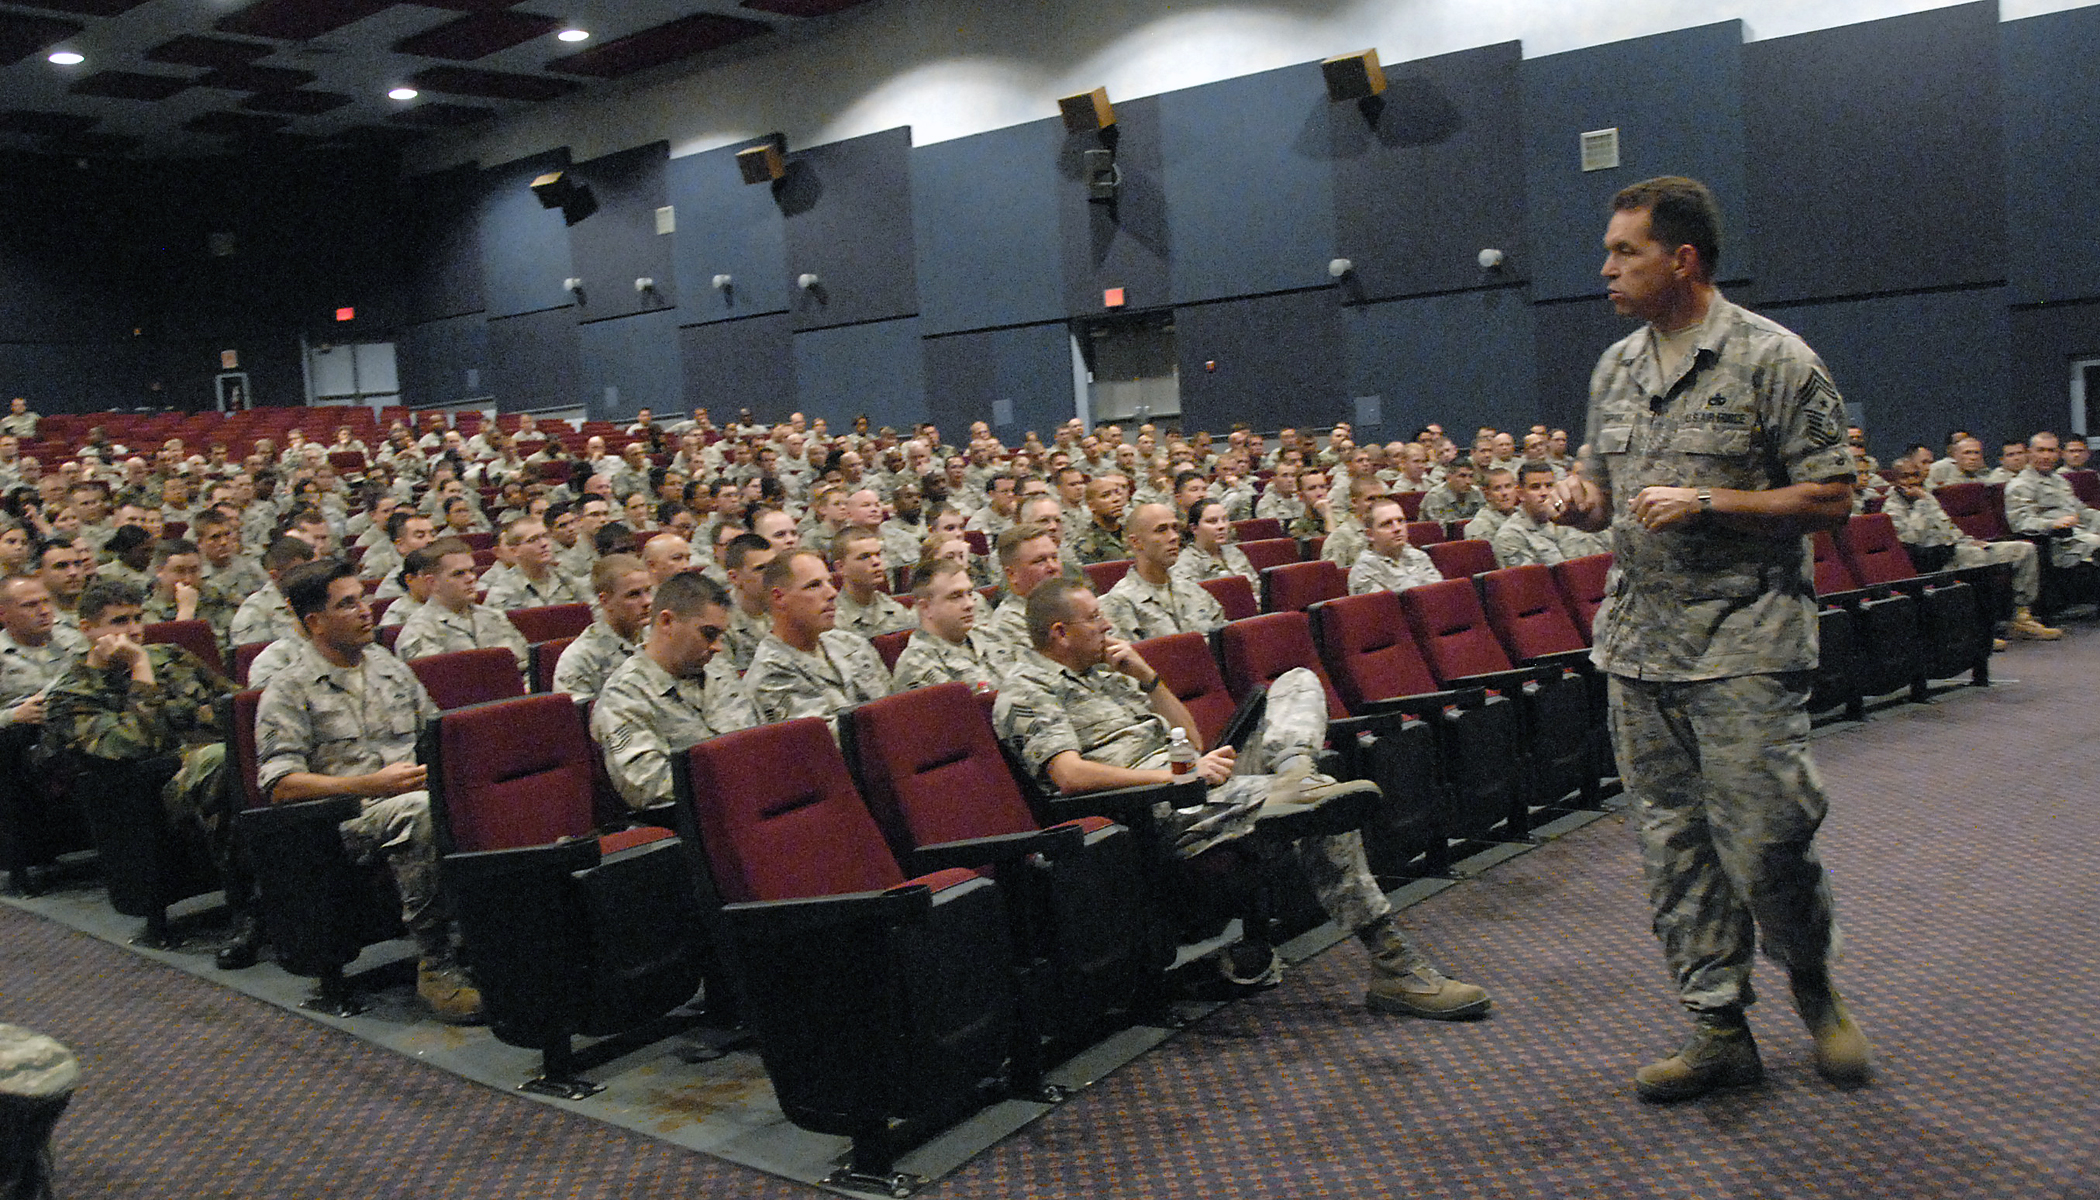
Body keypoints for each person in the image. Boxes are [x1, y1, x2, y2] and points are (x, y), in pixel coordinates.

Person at [1551, 175, 1870, 1101]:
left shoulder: (1775, 359)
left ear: (1682, 259)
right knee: (1674, 847)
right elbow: (1602, 491)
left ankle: (1812, 982)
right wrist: (1579, 503)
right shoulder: (1615, 368)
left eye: (1626, 251)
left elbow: (1833, 497)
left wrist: (1709, 501)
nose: (1606, 268)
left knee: (1768, 840)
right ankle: (1718, 1025)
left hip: (1746, 642)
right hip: (1639, 648)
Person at [995, 579, 1489, 1015]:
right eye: (1094, 618)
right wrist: (1174, 779)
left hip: (1194, 778)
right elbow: (1069, 775)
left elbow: (1189, 735)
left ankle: (1296, 777)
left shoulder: (1107, 672)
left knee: (1296, 682)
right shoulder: (1025, 690)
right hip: (1157, 806)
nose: (1106, 625)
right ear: (1059, 633)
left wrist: (1147, 677)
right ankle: (1395, 965)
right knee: (1325, 811)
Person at [254, 559, 480, 1022]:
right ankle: (436, 965)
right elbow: (280, 784)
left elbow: (436, 734)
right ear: (315, 622)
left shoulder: (389, 667)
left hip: (408, 797)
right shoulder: (289, 688)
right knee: (420, 811)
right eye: (347, 604)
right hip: (342, 819)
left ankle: (499, 945)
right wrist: (369, 784)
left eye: (363, 599)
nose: (365, 611)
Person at [44, 580, 248, 963]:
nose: (134, 630)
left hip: (218, 771)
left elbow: (235, 704)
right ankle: (247, 911)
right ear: (87, 628)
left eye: (138, 618)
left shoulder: (171, 656)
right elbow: (134, 745)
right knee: (219, 762)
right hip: (153, 792)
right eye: (119, 621)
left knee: (239, 763)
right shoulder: (72, 695)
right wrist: (140, 669)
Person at [590, 572, 760, 809]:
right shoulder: (625, 695)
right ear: (667, 622)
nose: (718, 647)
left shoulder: (720, 672)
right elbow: (649, 787)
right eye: (709, 634)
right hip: (694, 818)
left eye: (721, 635)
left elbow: (762, 743)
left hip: (754, 803)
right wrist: (743, 778)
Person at [1880, 458, 2059, 643]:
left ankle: (2022, 618)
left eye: (1915, 475)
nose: (1912, 481)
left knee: (2025, 550)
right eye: (1905, 477)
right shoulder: (1892, 508)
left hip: (1957, 548)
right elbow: (1912, 540)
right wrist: (1920, 504)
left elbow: (1948, 527)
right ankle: (1980, 633)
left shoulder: (1926, 496)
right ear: (1894, 480)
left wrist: (1969, 540)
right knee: (1982, 565)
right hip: (1932, 560)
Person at [743, 550, 892, 735]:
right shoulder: (770, 675)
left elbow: (894, 708)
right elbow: (826, 742)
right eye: (814, 585)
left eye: (829, 582)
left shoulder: (851, 644)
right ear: (779, 597)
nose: (832, 593)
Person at [393, 538, 530, 675]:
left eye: (472, 570)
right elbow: (436, 683)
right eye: (458, 574)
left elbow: (526, 667)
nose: (471, 578)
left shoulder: (494, 617)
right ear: (432, 582)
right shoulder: (419, 631)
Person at [1099, 503, 1226, 641]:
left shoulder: (1193, 590)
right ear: (1136, 542)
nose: (1174, 537)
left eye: (1175, 528)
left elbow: (1225, 641)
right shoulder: (1118, 602)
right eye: (1161, 530)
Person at [552, 554, 651, 701]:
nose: (647, 601)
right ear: (605, 601)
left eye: (648, 591)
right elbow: (578, 714)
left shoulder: (662, 639)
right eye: (633, 595)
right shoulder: (580, 659)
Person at [890, 560, 1001, 692]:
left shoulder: (990, 636)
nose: (969, 604)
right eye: (955, 596)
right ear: (926, 608)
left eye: (970, 593)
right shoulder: (916, 665)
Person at [2004, 431, 2100, 567]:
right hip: (2056, 545)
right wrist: (2053, 524)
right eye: (2041, 450)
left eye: (2051, 451)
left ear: (2058, 454)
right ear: (2029, 453)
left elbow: (2081, 511)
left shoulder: (2060, 481)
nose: (2046, 456)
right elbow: (2020, 523)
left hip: (2079, 536)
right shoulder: (2020, 485)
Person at [1492, 462, 1610, 567]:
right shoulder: (1509, 536)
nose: (1544, 493)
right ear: (1520, 493)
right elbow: (1528, 580)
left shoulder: (1570, 520)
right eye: (1535, 487)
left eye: (1549, 486)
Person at [0, 576, 77, 732]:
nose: (44, 611)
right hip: (19, 738)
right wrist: (11, 716)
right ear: (3, 613)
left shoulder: (75, 641)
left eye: (46, 601)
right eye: (30, 605)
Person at [480, 516, 586, 610]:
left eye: (545, 536)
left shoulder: (566, 579)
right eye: (532, 540)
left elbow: (591, 612)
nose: (544, 544)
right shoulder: (502, 591)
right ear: (514, 550)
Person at [228, 538, 317, 649]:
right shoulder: (254, 611)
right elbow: (249, 655)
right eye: (300, 572)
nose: (310, 576)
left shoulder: (319, 598)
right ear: (275, 576)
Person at [831, 528, 914, 638]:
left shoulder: (894, 608)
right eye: (864, 557)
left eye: (878, 554)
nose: (876, 562)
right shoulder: (832, 619)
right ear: (841, 567)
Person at [1348, 498, 1441, 596]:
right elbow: (1384, 605)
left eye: (1400, 521)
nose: (1397, 528)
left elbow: (1438, 595)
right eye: (1387, 524)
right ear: (1370, 534)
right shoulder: (1364, 571)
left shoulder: (1419, 556)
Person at [1172, 499, 1258, 589]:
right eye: (1212, 521)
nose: (1221, 526)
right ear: (1194, 528)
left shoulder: (1234, 552)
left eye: (1224, 519)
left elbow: (1256, 587)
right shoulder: (1185, 564)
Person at [1463, 469, 1520, 542]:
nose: (1504, 493)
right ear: (1487, 494)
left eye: (1508, 486)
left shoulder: (1525, 515)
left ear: (1516, 489)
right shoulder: (1479, 526)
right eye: (1497, 489)